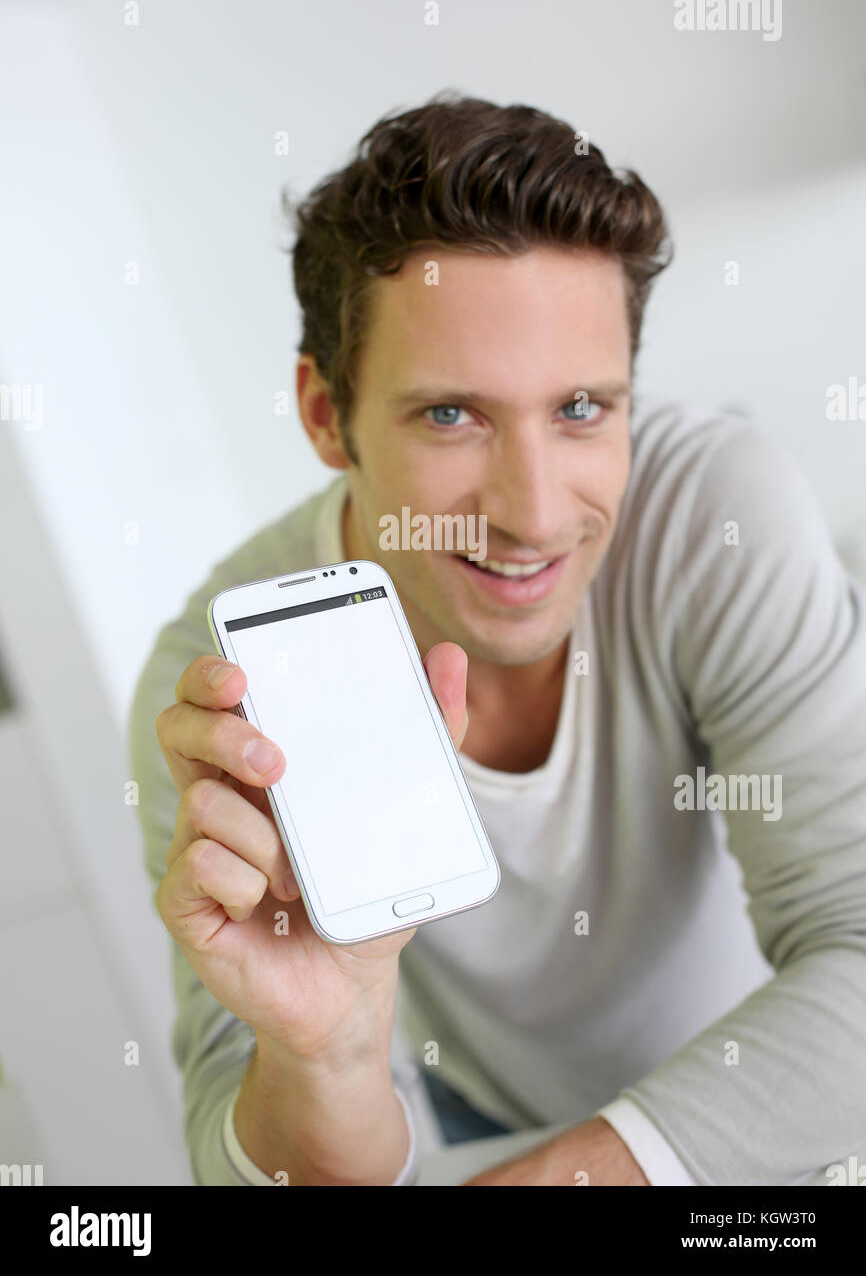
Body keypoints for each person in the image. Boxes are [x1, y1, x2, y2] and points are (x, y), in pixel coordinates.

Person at [128, 92, 866, 1186]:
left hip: (755, 1075)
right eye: (449, 415)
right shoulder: (222, 686)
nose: (530, 511)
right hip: (476, 1117)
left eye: (579, 408)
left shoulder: (710, 511)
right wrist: (324, 1053)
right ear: (325, 413)